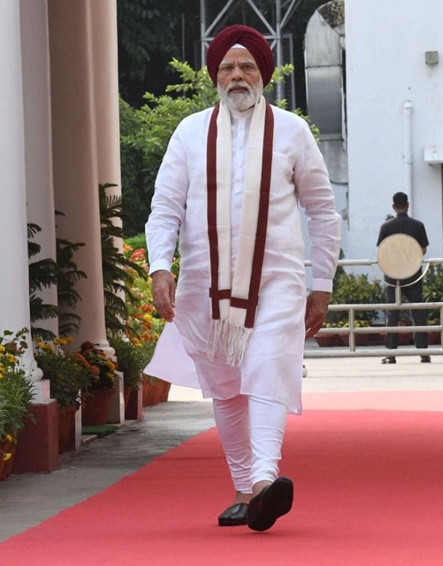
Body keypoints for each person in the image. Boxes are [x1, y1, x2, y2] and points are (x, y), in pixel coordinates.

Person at [143, 24, 341, 532]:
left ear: (263, 75)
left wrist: (321, 284)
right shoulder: (189, 132)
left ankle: (263, 480)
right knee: (227, 388)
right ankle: (245, 488)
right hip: (205, 287)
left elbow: (323, 212)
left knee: (269, 368)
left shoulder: (293, 132)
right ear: (215, 74)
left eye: (247, 66)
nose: (237, 75)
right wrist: (159, 266)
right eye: (228, 67)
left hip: (276, 282)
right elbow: (164, 208)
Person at [377, 191, 430, 364]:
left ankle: (391, 354)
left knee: (392, 313)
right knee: (418, 312)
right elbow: (423, 250)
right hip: (413, 273)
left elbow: (382, 251)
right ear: (407, 205)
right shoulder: (418, 225)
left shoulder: (386, 227)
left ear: (393, 207)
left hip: (393, 274)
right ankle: (423, 352)